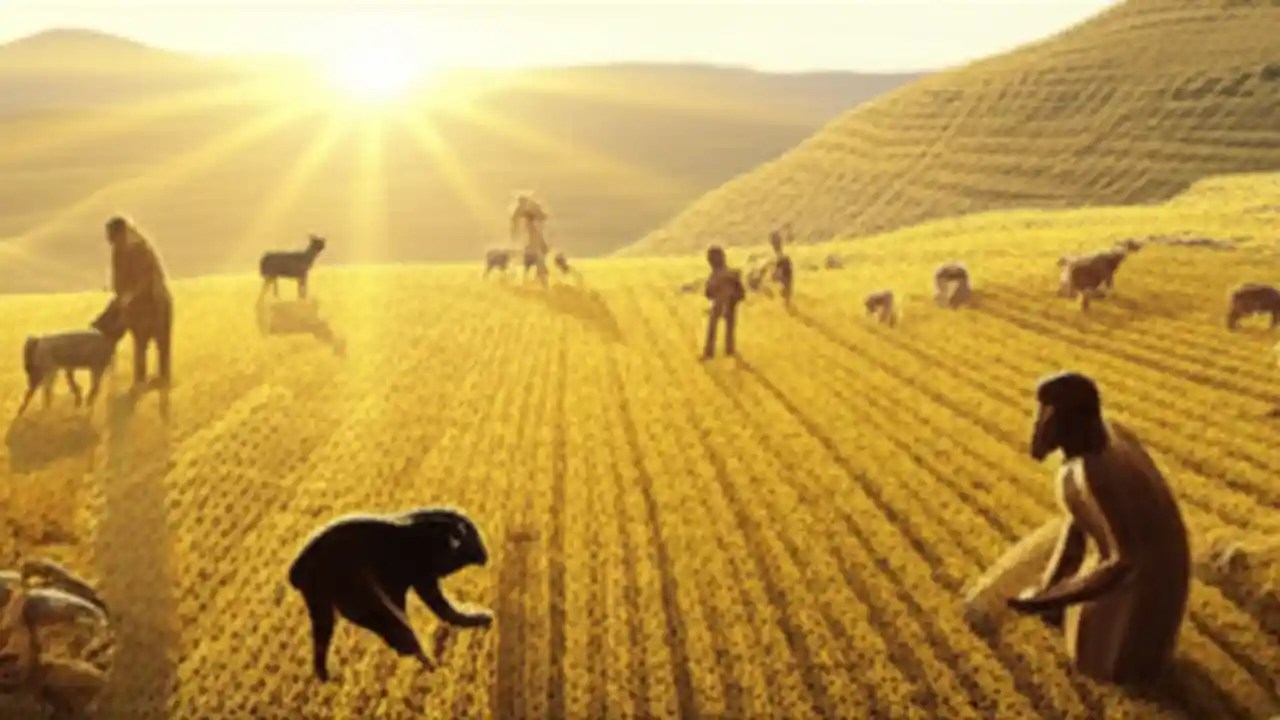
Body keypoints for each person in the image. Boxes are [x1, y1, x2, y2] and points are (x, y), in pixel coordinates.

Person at [106, 215, 173, 386]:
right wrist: (122, 297)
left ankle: (162, 380)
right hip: (137, 306)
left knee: (161, 345)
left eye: (113, 237)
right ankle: (140, 382)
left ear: (122, 233)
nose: (111, 242)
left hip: (156, 303)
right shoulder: (118, 251)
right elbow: (117, 280)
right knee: (140, 345)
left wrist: (129, 296)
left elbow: (147, 278)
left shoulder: (140, 249)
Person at [702, 245, 745, 360]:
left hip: (719, 303)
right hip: (731, 302)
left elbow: (708, 292)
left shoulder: (715, 276)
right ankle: (729, 350)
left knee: (713, 326)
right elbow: (740, 290)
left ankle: (709, 352)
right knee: (729, 327)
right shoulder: (732, 274)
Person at [509, 192, 550, 287]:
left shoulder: (522, 213)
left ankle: (535, 281)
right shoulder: (523, 214)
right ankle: (540, 283)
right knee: (538, 264)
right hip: (530, 246)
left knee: (533, 265)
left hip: (531, 245)